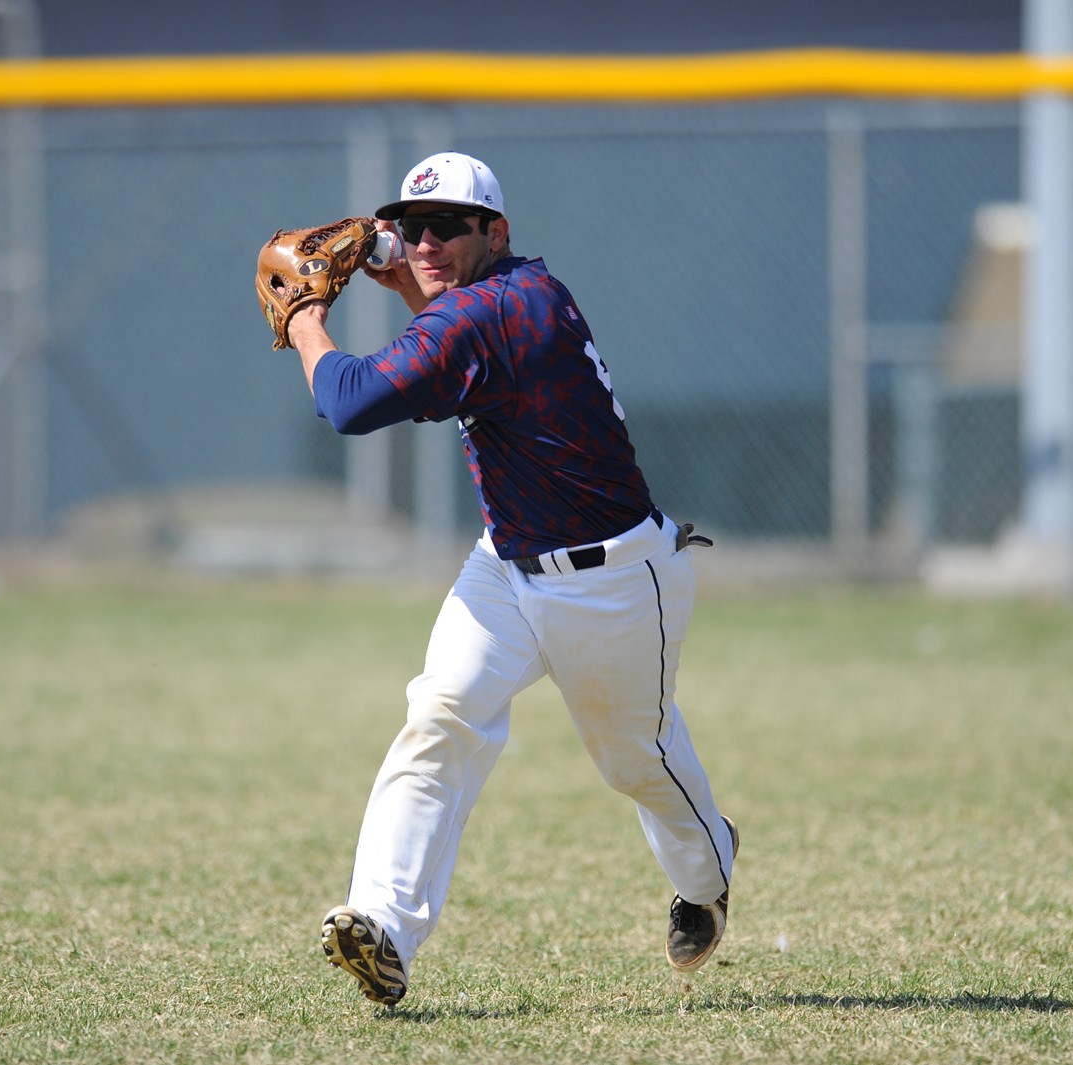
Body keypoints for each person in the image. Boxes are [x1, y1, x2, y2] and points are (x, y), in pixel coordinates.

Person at [281, 151, 736, 1007]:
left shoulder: (497, 311)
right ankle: (382, 923)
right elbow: (450, 343)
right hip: (506, 561)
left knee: (636, 762)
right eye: (413, 227)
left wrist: (307, 316)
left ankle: (708, 872)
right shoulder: (521, 293)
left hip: (614, 582)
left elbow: (348, 401)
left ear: (496, 231)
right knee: (441, 713)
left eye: (448, 226)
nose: (427, 241)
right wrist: (395, 266)